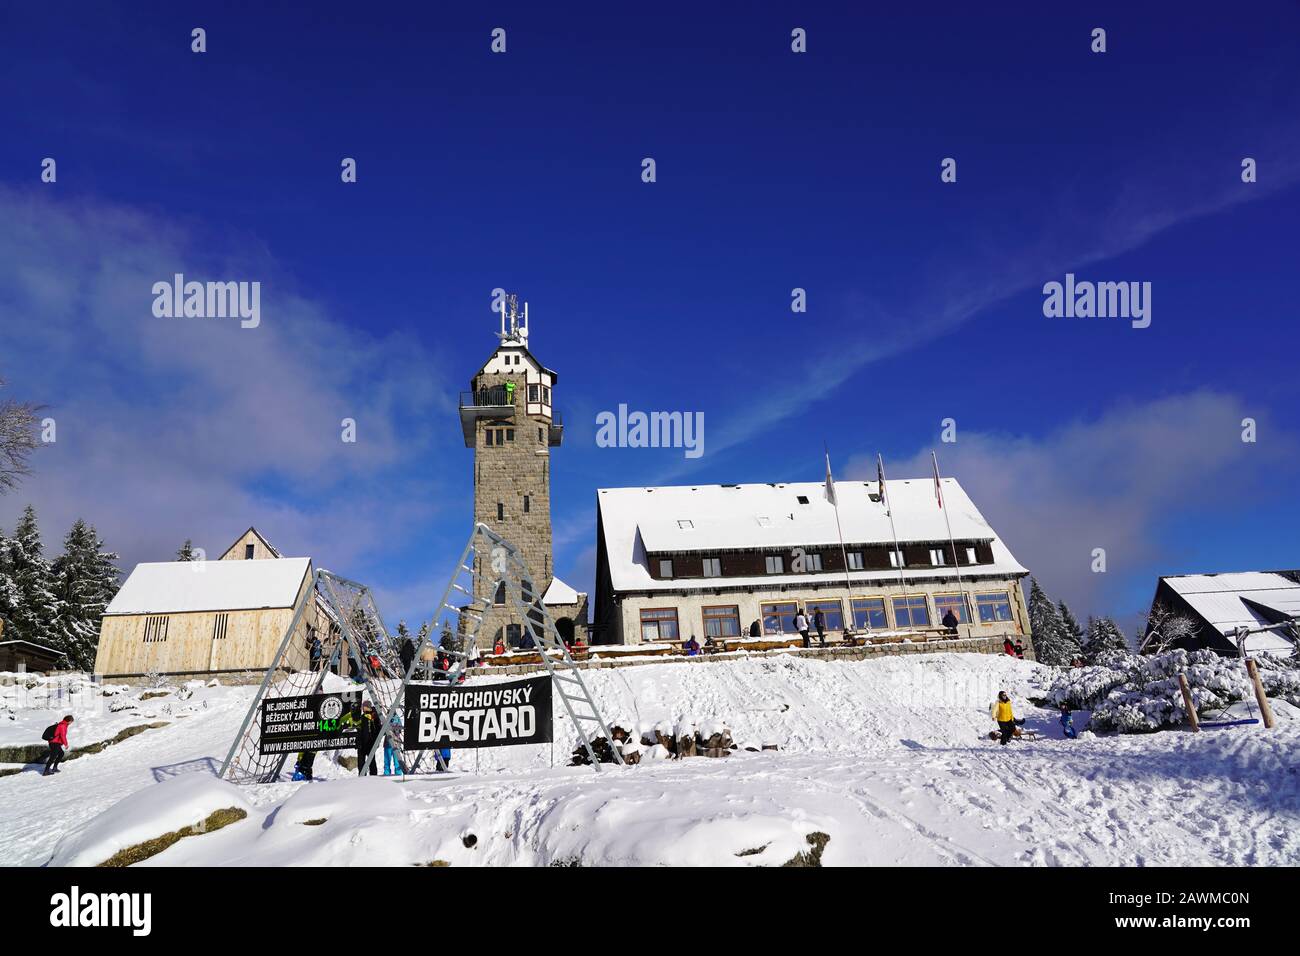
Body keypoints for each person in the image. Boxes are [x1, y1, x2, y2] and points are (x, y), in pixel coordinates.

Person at [356, 702, 380, 776]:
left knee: (372, 762)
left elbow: (378, 729)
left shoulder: (374, 716)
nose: (362, 708)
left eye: (364, 706)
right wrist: (358, 742)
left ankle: (373, 777)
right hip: (362, 744)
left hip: (370, 743)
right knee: (361, 762)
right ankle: (362, 777)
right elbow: (359, 731)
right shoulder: (362, 717)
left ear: (367, 707)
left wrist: (376, 741)